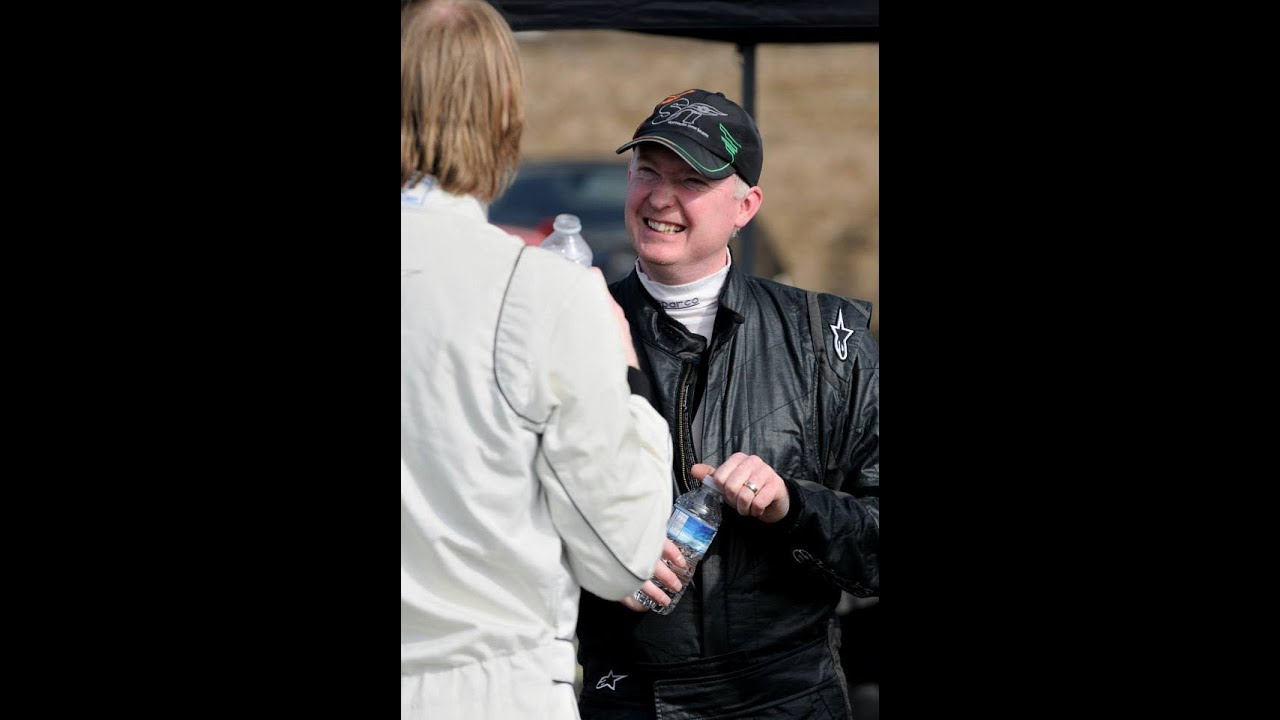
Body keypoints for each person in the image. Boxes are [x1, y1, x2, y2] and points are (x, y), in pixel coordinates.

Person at [400, 3, 685, 718]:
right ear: (504, 107)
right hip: (487, 689)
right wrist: (632, 388)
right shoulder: (540, 294)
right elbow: (621, 556)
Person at [575, 88, 880, 719]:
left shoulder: (829, 341)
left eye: (690, 180)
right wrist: (598, 552)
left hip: (789, 696)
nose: (660, 198)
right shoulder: (569, 328)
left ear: (747, 206)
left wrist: (792, 506)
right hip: (630, 696)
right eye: (648, 172)